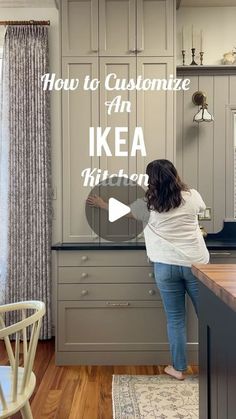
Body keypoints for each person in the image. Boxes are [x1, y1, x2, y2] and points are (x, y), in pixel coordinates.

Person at [86, 159, 209, 380]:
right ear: (174, 174)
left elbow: (125, 212)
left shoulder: (149, 205)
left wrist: (103, 205)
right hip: (195, 265)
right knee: (209, 318)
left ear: (151, 180)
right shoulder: (193, 196)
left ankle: (179, 369)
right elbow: (201, 210)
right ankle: (219, 368)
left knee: (176, 320)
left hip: (165, 266)